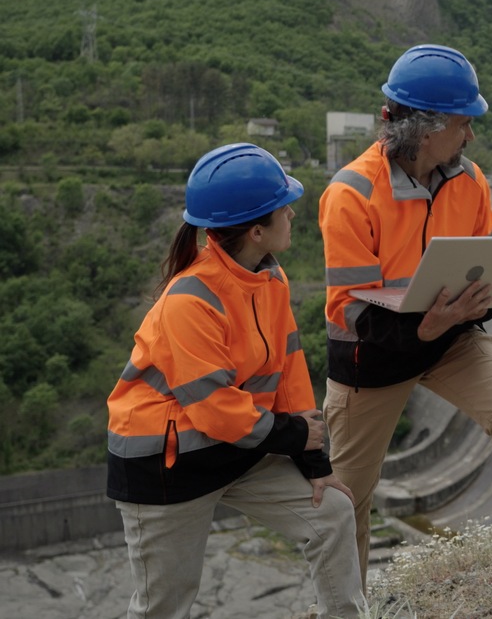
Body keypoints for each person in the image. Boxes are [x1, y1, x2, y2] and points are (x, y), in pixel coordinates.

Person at [320, 44, 492, 618]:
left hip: (454, 338)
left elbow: (491, 271)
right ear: (424, 130)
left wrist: (464, 313)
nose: (471, 136)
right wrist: (425, 326)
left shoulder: (470, 181)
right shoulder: (351, 194)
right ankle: (345, 609)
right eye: (464, 123)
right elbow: (352, 314)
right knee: (346, 500)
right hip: (373, 359)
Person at [105, 143, 365, 619]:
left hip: (237, 449)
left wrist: (315, 462)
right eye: (282, 206)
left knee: (331, 514)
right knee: (164, 605)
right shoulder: (189, 302)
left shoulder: (270, 278)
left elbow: (289, 371)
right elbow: (214, 408)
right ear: (256, 230)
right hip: (167, 466)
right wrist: (294, 435)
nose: (292, 213)